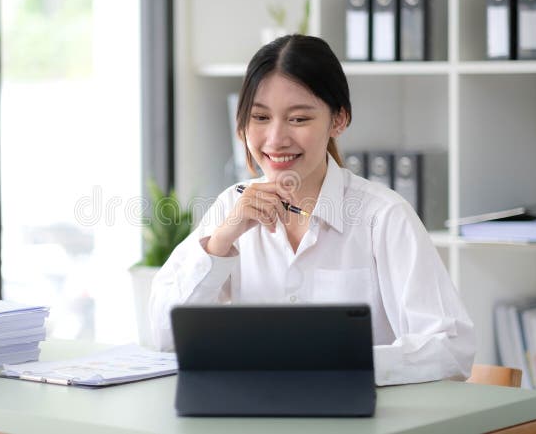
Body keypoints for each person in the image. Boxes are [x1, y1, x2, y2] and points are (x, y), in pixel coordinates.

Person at [148, 34, 475, 385]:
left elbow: (450, 350)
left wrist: (342, 362)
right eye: (260, 117)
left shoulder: (383, 216)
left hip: (360, 411)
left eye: (299, 119)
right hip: (253, 408)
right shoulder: (232, 205)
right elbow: (164, 336)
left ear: (339, 120)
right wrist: (220, 243)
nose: (275, 139)